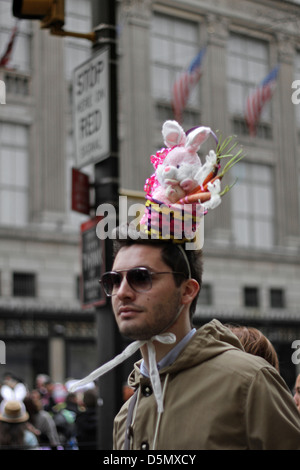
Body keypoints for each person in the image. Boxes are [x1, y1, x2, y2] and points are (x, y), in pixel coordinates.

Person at [103, 226, 300, 450]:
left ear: (187, 290)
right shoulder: (125, 415)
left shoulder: (249, 381)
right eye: (114, 280)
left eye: (141, 277)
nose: (122, 292)